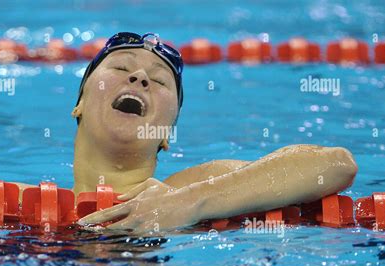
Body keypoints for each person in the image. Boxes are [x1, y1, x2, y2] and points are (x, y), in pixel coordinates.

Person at [31, 32, 359, 233]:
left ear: (166, 134)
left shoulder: (198, 186)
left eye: (159, 81)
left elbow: (335, 165)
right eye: (120, 68)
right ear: (80, 104)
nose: (141, 77)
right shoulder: (14, 202)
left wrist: (189, 203)